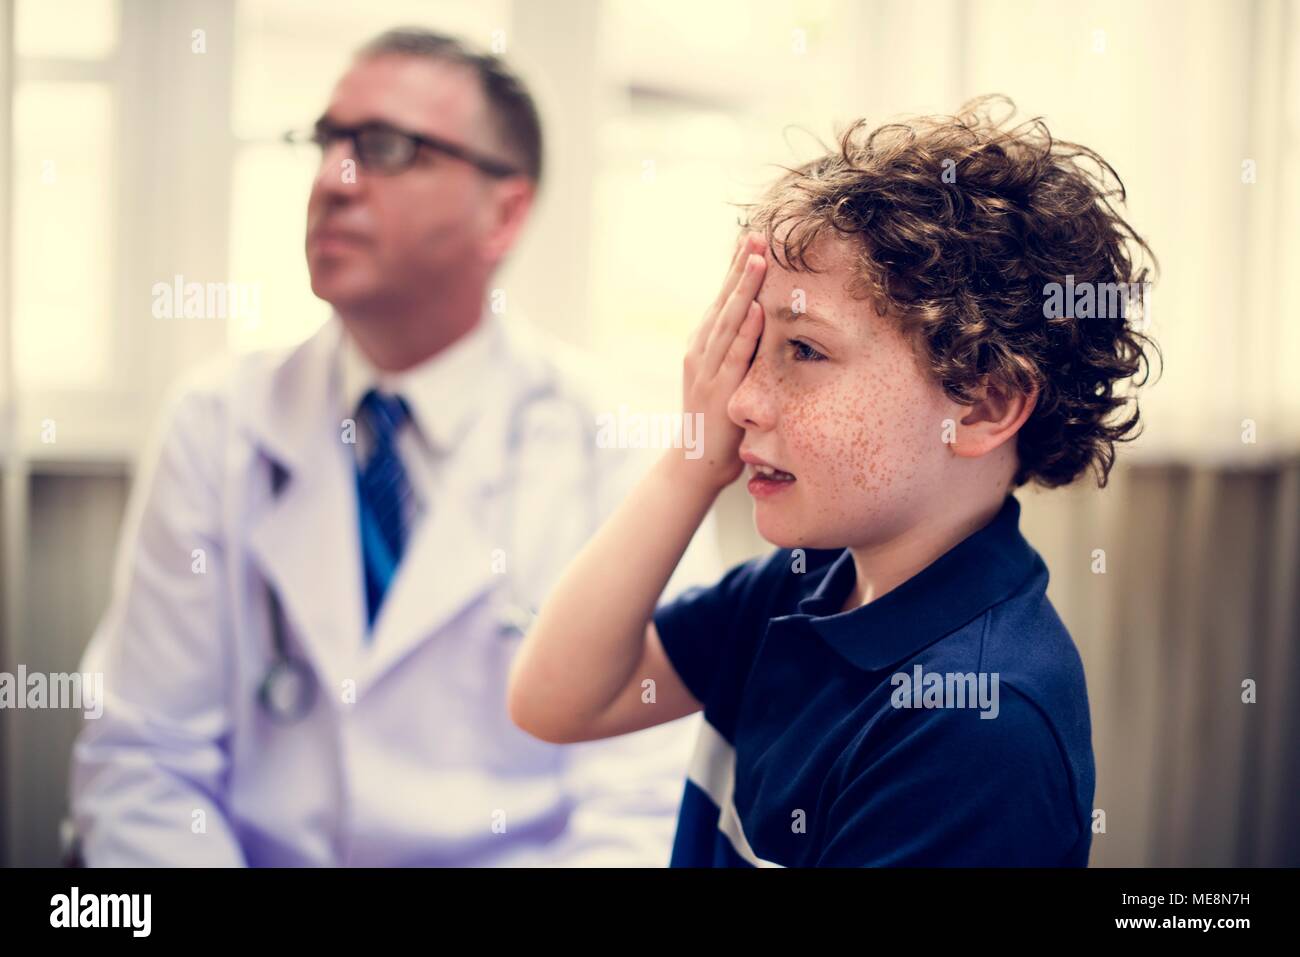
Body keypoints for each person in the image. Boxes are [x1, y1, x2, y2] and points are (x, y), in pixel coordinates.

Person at [69, 29, 708, 867]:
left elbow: (644, 803)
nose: (333, 180)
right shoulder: (216, 422)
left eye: (385, 148)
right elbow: (144, 766)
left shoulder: (619, 444)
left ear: (504, 210)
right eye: (327, 142)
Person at [508, 97, 1160, 866]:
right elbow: (554, 699)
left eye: (805, 352)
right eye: (752, 345)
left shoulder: (976, 727)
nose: (741, 400)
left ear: (982, 403)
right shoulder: (802, 585)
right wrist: (690, 463)